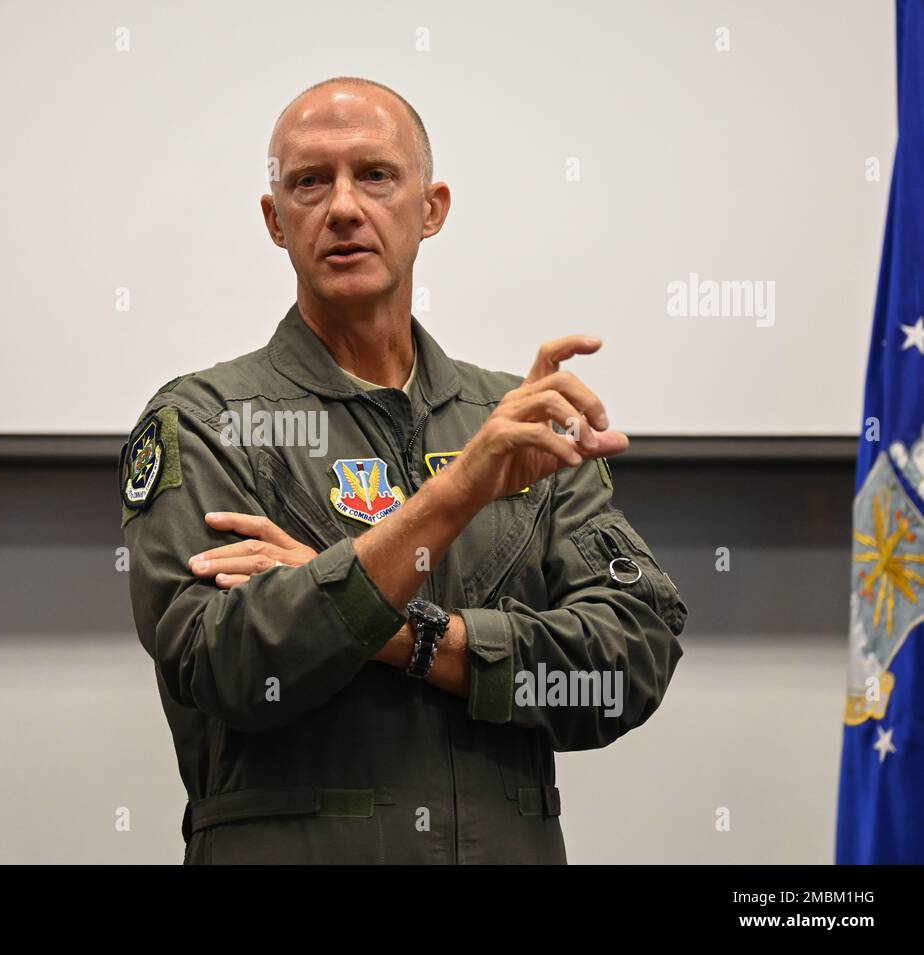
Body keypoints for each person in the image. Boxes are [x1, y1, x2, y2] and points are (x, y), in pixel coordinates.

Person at [120, 76, 687, 864]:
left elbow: (629, 662)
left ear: (432, 208)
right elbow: (227, 664)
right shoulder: (206, 420)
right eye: (310, 181)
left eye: (376, 175)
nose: (344, 207)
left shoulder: (513, 418)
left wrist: (409, 634)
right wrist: (456, 493)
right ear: (274, 220)